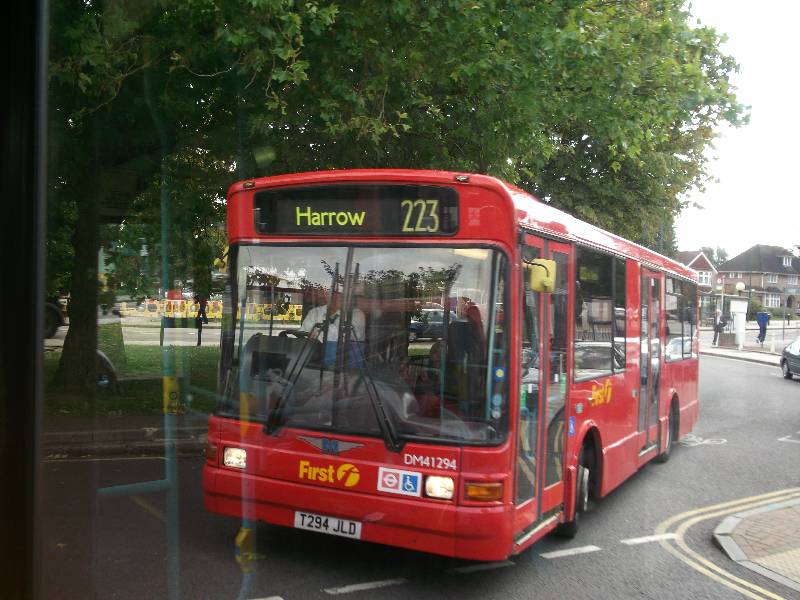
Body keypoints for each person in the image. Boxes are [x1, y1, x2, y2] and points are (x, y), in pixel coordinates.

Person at [300, 289, 366, 366]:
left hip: (347, 368)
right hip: (312, 366)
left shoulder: (356, 314)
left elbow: (341, 333)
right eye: (334, 292)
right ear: (326, 295)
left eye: (341, 293)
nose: (339, 296)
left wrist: (316, 334)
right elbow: (303, 338)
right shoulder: (315, 312)